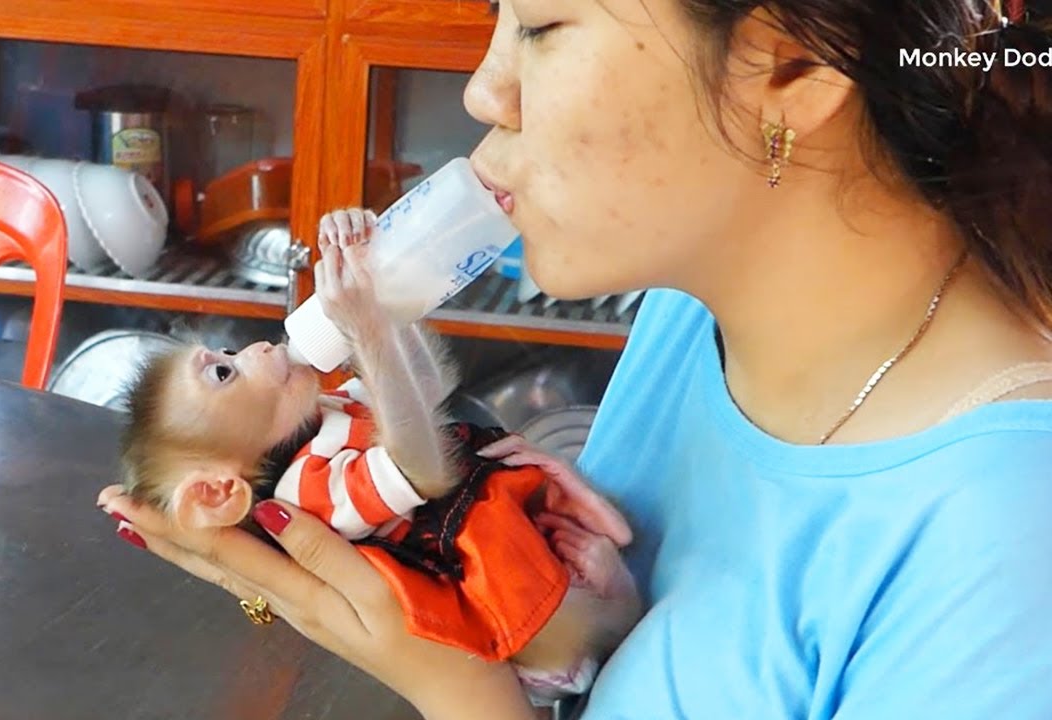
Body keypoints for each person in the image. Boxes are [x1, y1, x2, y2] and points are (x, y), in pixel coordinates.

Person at [97, 0, 1052, 717]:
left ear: (794, 67)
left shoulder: (1004, 557)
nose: (484, 90)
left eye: (545, 24)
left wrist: (461, 694)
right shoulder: (696, 311)